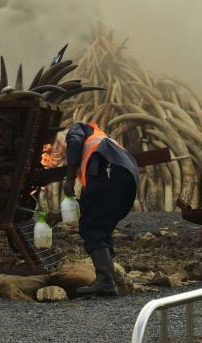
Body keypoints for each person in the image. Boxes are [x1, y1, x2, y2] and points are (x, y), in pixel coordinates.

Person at [63, 122, 139, 297]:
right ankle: (108, 279)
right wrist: (58, 215)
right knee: (101, 226)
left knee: (91, 228)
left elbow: (74, 142)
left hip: (109, 169)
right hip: (128, 174)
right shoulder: (100, 141)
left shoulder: (78, 128)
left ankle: (105, 281)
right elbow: (89, 206)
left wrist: (69, 179)